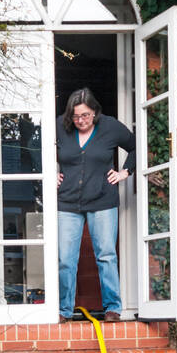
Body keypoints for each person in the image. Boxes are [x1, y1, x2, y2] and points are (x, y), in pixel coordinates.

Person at [56, 87, 136, 323]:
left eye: (86, 115)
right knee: (65, 259)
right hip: (68, 202)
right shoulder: (60, 125)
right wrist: (49, 172)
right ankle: (64, 310)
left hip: (102, 200)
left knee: (106, 255)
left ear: (95, 112)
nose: (80, 121)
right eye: (76, 116)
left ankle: (112, 307)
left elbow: (136, 145)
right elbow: (34, 146)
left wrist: (125, 172)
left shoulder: (110, 126)